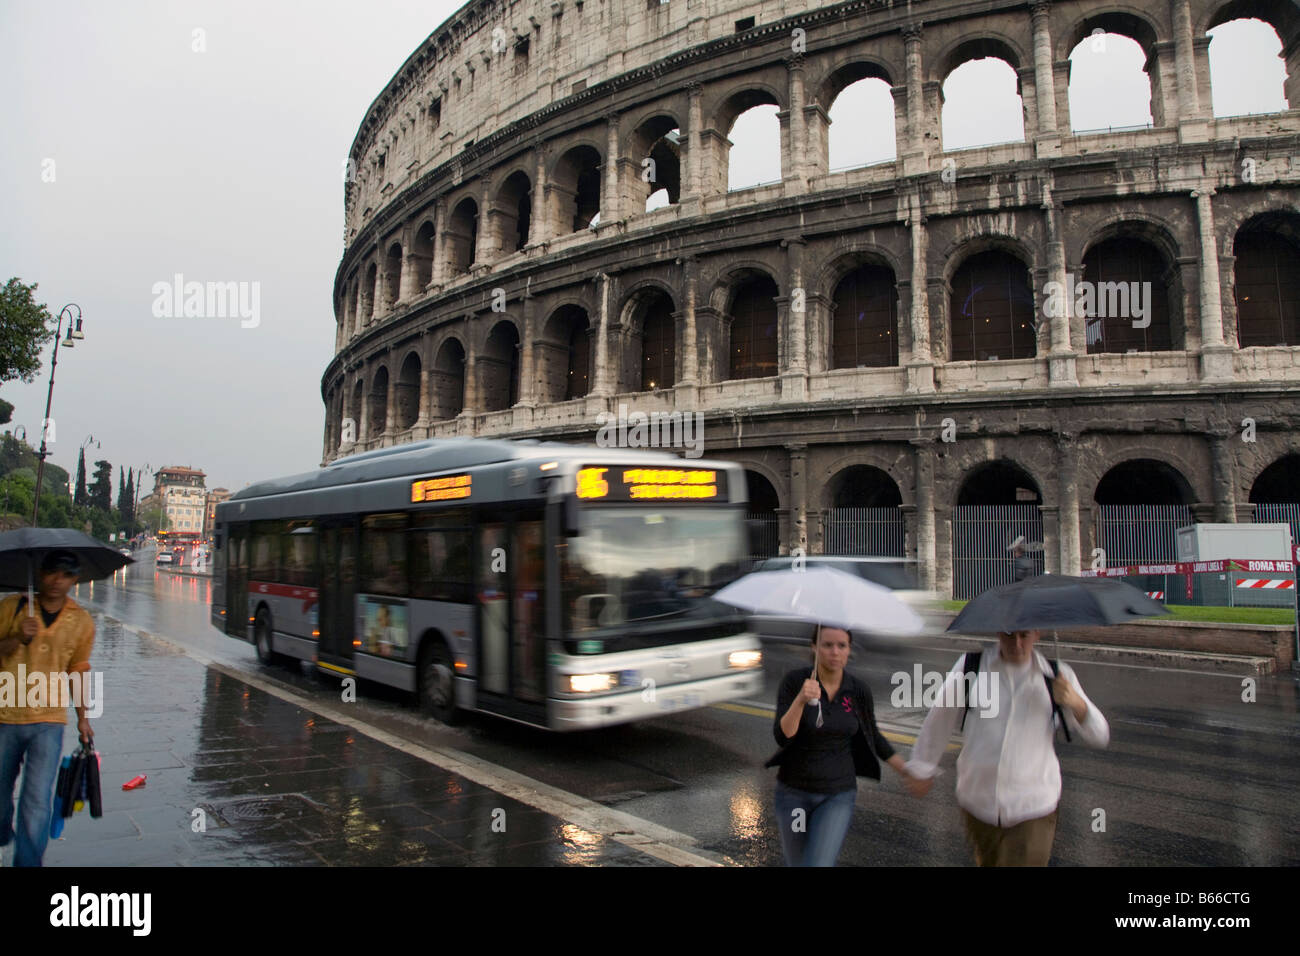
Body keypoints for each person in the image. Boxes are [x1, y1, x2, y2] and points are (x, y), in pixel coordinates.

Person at [905, 629, 1109, 866]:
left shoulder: (1056, 676)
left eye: (1024, 635)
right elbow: (939, 718)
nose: (1017, 643)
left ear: (1037, 634)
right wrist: (922, 767)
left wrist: (1076, 703)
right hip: (978, 804)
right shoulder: (971, 667)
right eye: (1009, 635)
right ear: (998, 633)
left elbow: (1100, 736)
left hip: (1033, 808)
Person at [766, 624, 926, 866]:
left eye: (842, 646)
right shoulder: (795, 681)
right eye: (827, 645)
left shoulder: (857, 690)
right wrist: (801, 700)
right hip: (793, 797)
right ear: (814, 647)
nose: (835, 652)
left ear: (849, 650)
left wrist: (905, 770)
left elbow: (874, 736)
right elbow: (783, 735)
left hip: (837, 796)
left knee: (817, 863)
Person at [0, 551, 96, 866]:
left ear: (75, 579)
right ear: (40, 574)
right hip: (5, 715)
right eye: (52, 573)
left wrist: (84, 719)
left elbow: (78, 670)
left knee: (36, 800)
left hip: (48, 720)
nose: (57, 581)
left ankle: (27, 862)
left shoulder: (80, 620)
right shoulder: (12, 607)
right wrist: (15, 637)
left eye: (66, 575)